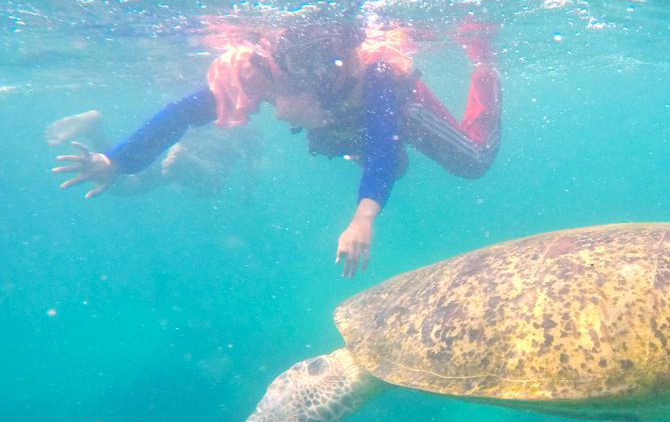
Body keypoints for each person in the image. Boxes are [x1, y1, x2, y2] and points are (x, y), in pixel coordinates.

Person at [51, 17, 501, 277]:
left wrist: (364, 218)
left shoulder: (377, 79)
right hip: (344, 128)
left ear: (314, 87)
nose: (276, 114)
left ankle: (484, 61)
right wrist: (118, 160)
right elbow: (182, 113)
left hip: (403, 115)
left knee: (475, 163)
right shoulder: (264, 76)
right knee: (393, 171)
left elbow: (383, 146)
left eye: (284, 104)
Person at [46, 109, 262, 198]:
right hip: (199, 151)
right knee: (214, 182)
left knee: (127, 185)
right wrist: (250, 193)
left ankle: (95, 131)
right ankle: (187, 159)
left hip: (177, 141)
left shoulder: (233, 114)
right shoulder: (249, 124)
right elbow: (253, 162)